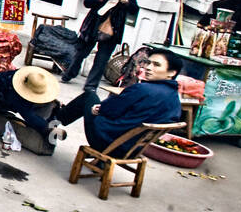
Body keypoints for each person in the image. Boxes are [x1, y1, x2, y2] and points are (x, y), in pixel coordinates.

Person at [54, 48, 183, 153]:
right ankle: (57, 118)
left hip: (107, 141)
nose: (149, 68)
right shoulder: (174, 97)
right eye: (149, 63)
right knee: (106, 108)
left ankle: (54, 120)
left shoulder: (143, 89)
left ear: (171, 72)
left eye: (156, 65)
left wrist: (99, 109)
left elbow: (109, 110)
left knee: (89, 96)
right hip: (134, 149)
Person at [61, 0, 138, 90]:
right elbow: (88, 2)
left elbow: (134, 10)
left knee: (102, 59)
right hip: (94, 25)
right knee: (81, 53)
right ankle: (69, 74)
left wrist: (127, 2)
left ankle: (91, 85)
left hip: (113, 28)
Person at [0, 66, 64, 145]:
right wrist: (47, 129)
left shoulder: (37, 83)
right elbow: (28, 114)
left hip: (12, 101)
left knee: (51, 103)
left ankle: (41, 128)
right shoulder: (14, 87)